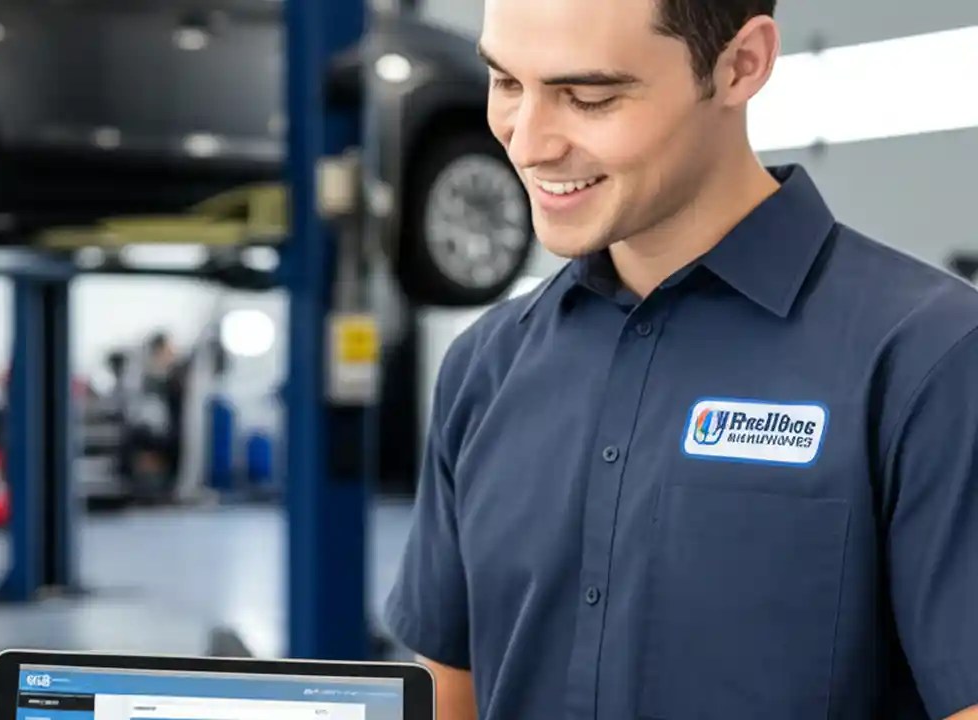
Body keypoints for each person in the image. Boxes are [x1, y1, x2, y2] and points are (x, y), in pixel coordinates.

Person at [384, 1, 978, 718]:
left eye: (588, 97)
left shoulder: (931, 359)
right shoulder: (486, 366)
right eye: (506, 83)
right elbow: (453, 694)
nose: (529, 143)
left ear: (740, 65)